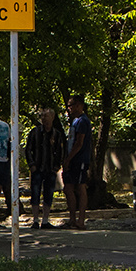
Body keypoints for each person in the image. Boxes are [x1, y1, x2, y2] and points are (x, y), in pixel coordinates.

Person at [25, 106, 66, 229]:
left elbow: (60, 151)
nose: (44, 119)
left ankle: (45, 220)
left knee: (49, 193)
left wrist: (56, 167)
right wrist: (31, 165)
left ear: (52, 117)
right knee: (35, 193)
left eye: (46, 116)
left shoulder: (57, 134)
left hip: (50, 169)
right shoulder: (35, 132)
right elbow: (28, 150)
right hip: (37, 168)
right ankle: (35, 220)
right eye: (42, 116)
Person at [61, 95, 92, 229]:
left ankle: (81, 220)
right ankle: (72, 218)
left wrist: (69, 159)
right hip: (72, 160)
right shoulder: (75, 121)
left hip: (79, 160)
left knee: (80, 186)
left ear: (79, 105)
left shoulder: (83, 121)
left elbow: (79, 143)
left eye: (71, 105)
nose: (69, 108)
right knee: (68, 188)